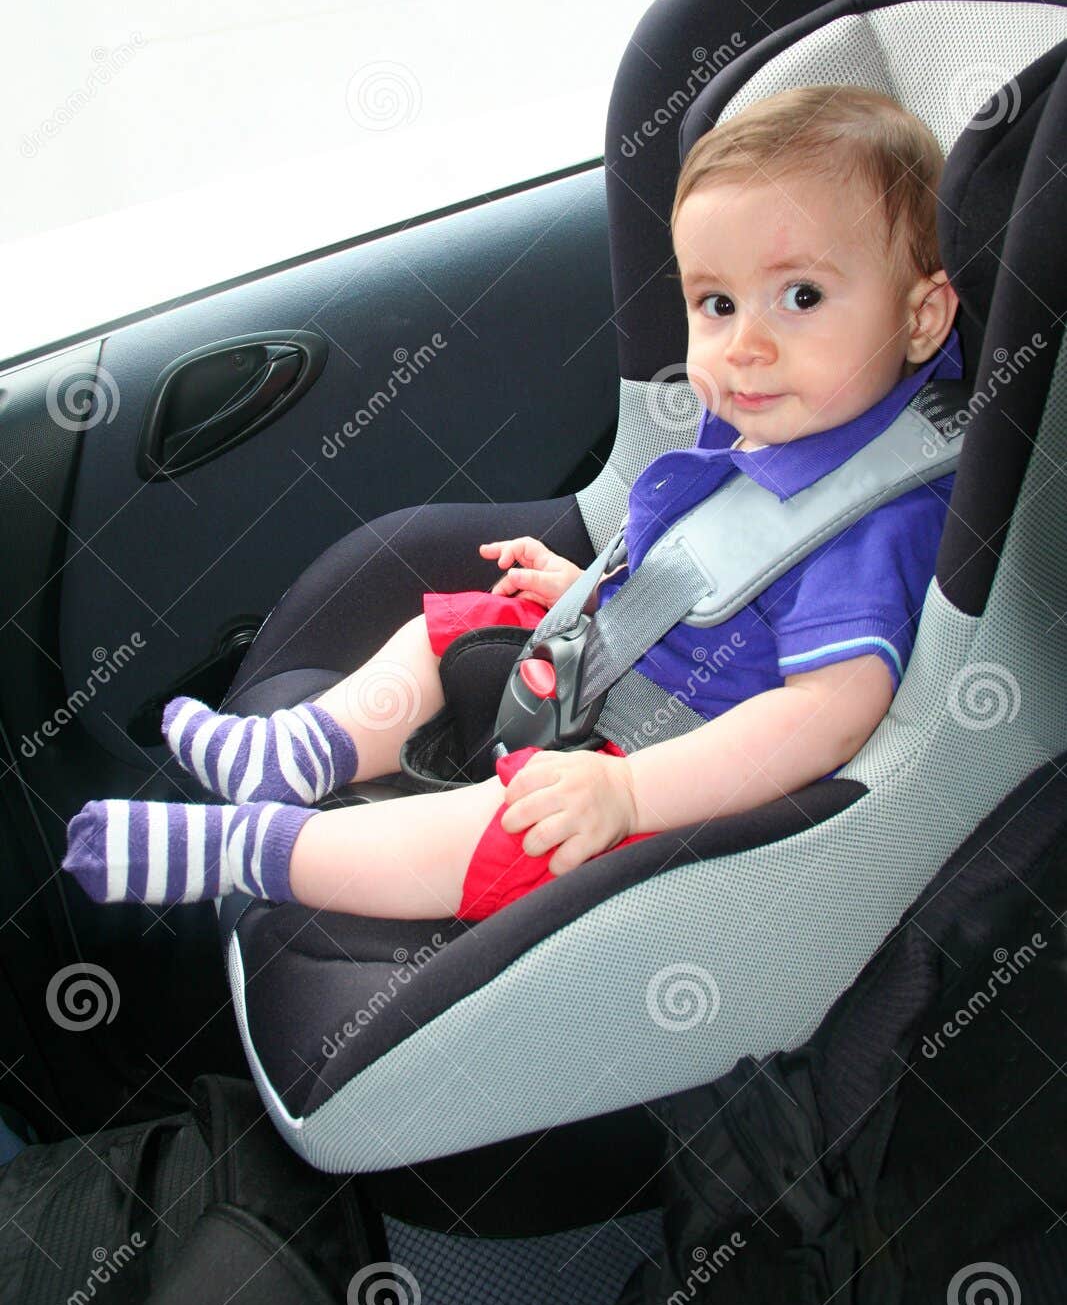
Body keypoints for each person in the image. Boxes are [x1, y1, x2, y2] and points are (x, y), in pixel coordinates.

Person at [62, 85, 961, 924]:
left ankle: (260, 852)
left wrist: (628, 796)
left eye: (800, 297)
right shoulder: (773, 424)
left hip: (672, 763)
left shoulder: (874, 521)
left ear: (921, 318)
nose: (746, 345)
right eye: (716, 304)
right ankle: (302, 750)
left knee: (507, 823)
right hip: (616, 671)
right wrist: (590, 590)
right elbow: (714, 575)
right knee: (455, 622)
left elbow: (822, 713)